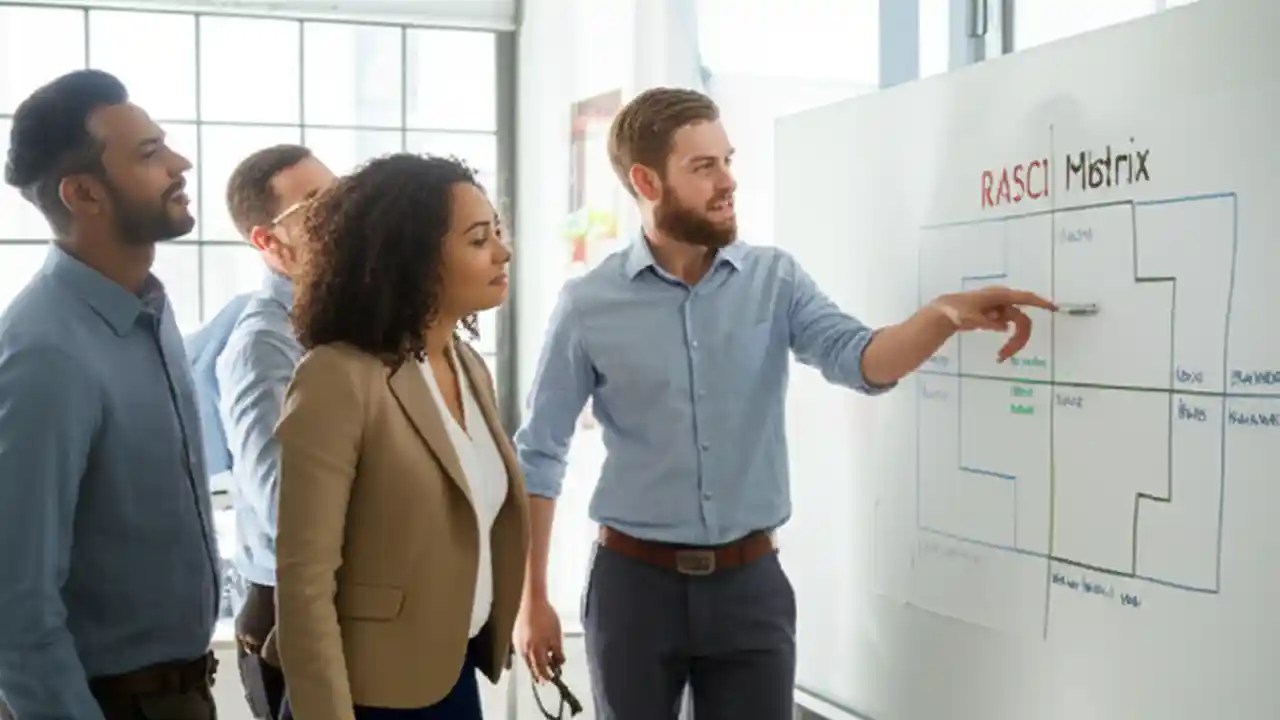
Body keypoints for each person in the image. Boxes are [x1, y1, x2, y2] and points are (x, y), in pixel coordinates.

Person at [511, 86, 1058, 719]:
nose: (728, 181)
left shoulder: (775, 281)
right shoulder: (587, 306)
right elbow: (540, 459)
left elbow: (860, 360)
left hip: (749, 586)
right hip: (633, 587)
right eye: (704, 166)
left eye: (728, 159)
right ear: (646, 181)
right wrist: (533, 599)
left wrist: (942, 317)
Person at [273, 153, 529, 720]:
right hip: (368, 695)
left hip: (451, 675)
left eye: (498, 234)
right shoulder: (338, 377)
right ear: (415, 259)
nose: (502, 253)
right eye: (479, 239)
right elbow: (304, 581)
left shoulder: (467, 364)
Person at [0, 69, 220, 719]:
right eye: (149, 155)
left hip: (185, 695)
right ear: (85, 193)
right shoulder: (45, 352)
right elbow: (15, 602)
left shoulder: (150, 312)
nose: (179, 164)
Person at [213, 144, 337, 719]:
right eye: (315, 205)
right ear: (268, 242)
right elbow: (283, 499)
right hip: (284, 614)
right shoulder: (261, 345)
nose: (339, 212)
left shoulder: (345, 324)